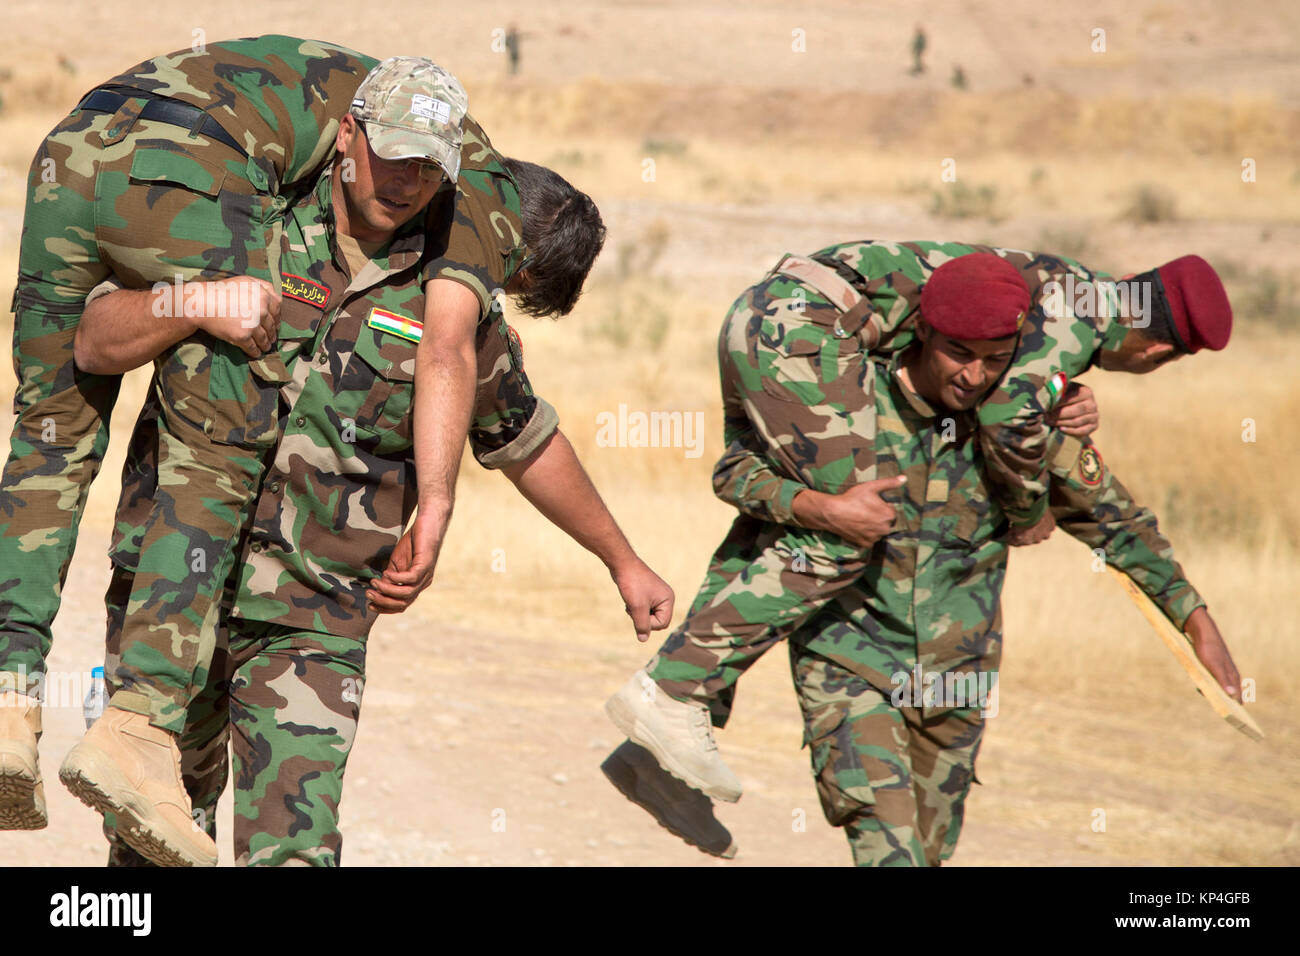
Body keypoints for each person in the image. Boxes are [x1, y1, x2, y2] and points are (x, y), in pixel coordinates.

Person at [74, 136, 672, 864]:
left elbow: (527, 442)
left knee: (294, 849)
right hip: (170, 590)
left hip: (314, 615)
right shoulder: (253, 225)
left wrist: (623, 561)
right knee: (150, 843)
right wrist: (193, 302)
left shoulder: (463, 319)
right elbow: (95, 337)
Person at [604, 250, 1241, 821]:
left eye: (992, 357)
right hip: (807, 329)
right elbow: (1009, 414)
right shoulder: (1062, 332)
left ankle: (666, 745)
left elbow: (738, 473)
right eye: (965, 354)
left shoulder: (1057, 291)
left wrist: (1193, 615)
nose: (976, 372)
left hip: (771, 310)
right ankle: (675, 690)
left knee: (810, 506)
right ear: (1158, 354)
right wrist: (1026, 513)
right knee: (853, 520)